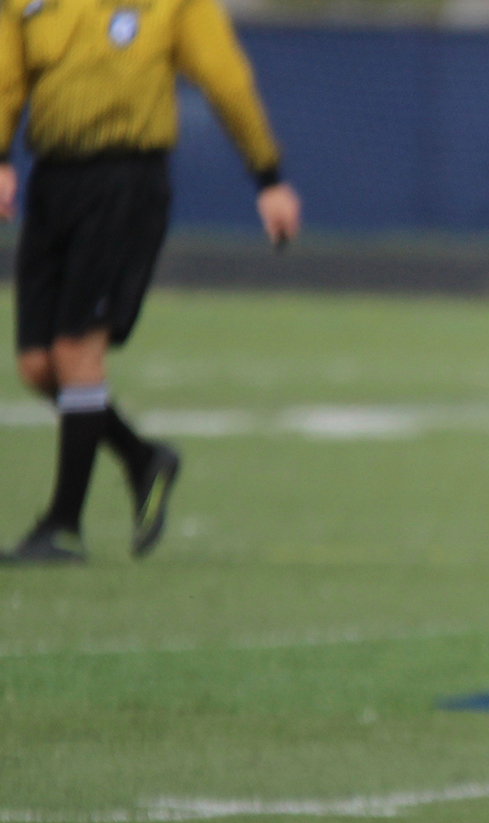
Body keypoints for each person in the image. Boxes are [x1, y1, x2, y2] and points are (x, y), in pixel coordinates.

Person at [0, 0, 299, 564]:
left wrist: (268, 176)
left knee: (74, 349)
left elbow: (225, 78)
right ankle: (142, 459)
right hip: (53, 180)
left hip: (126, 181)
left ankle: (64, 527)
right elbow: (5, 76)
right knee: (38, 366)